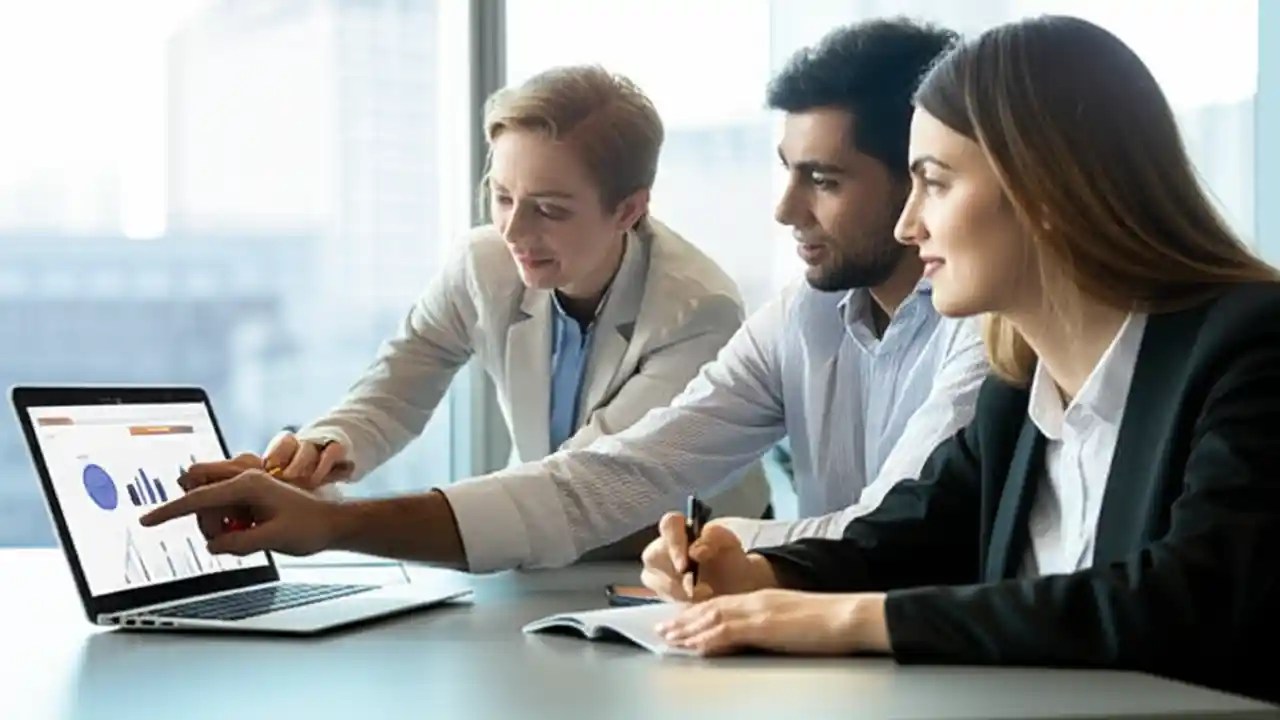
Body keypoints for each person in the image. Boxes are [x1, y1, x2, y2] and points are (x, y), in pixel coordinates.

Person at [140, 19, 990, 572]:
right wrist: (327, 475)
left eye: (825, 180)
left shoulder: (708, 307)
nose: (783, 210)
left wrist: (717, 541)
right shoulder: (804, 315)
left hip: (724, 578)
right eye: (501, 196)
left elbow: (884, 535)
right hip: (740, 591)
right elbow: (601, 474)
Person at [639, 15, 1280, 704]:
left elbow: (1191, 603)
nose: (907, 225)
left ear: (1043, 192)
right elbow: (907, 539)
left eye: (934, 183)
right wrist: (760, 575)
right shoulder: (1020, 392)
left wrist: (846, 619)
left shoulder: (1253, 349)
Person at [225, 64, 773, 553]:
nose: (513, 231)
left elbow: (586, 483)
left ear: (628, 209)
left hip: (683, 555)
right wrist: (324, 450)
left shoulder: (700, 311)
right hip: (537, 538)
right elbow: (395, 388)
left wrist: (335, 522)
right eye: (503, 196)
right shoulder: (481, 264)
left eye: (549, 210)